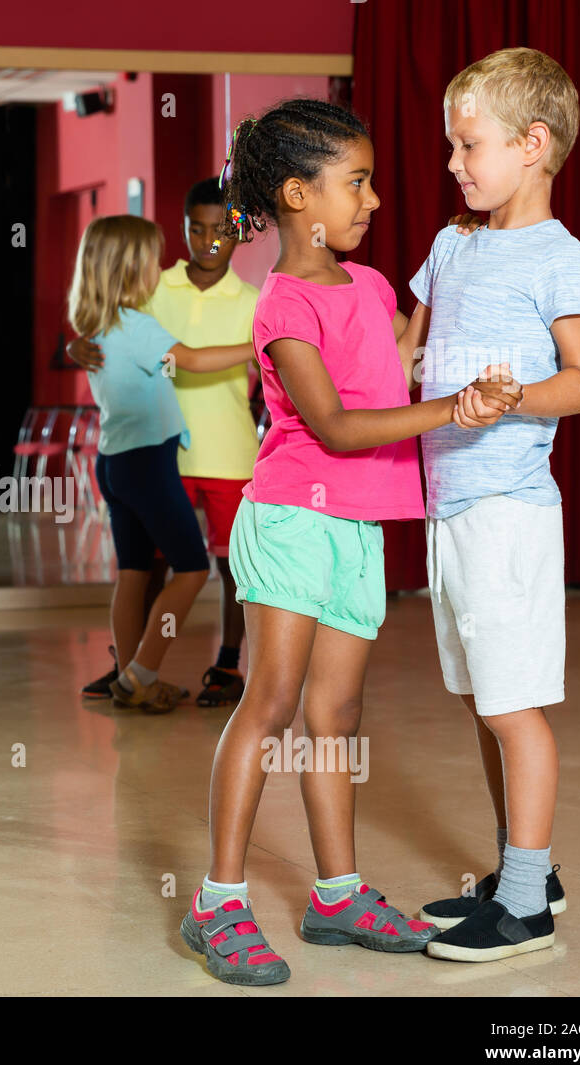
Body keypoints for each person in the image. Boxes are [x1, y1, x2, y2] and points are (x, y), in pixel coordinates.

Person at [178, 99, 521, 985]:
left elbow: (393, 360)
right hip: (294, 520)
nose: (371, 198)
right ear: (298, 195)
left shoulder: (366, 285)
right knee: (274, 703)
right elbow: (334, 425)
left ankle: (337, 893)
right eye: (355, 182)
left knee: (335, 717)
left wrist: (436, 295)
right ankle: (217, 901)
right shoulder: (282, 305)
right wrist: (449, 410)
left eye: (369, 180)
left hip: (358, 529)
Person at [409, 48, 580, 963]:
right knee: (487, 700)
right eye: (452, 143)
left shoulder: (560, 258)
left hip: (510, 511)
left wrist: (512, 395)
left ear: (533, 145)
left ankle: (524, 905)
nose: (454, 161)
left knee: (514, 707)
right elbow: (410, 354)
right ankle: (526, 870)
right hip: (450, 506)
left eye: (468, 143)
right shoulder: (453, 242)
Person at [69, 178, 261, 708]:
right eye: (194, 229)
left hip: (202, 455)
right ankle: (134, 673)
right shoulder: (148, 298)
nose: (206, 240)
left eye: (220, 230)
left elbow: (95, 326)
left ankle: (201, 667)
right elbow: (185, 356)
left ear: (238, 233)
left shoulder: (255, 299)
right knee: (173, 568)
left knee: (215, 568)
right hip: (159, 458)